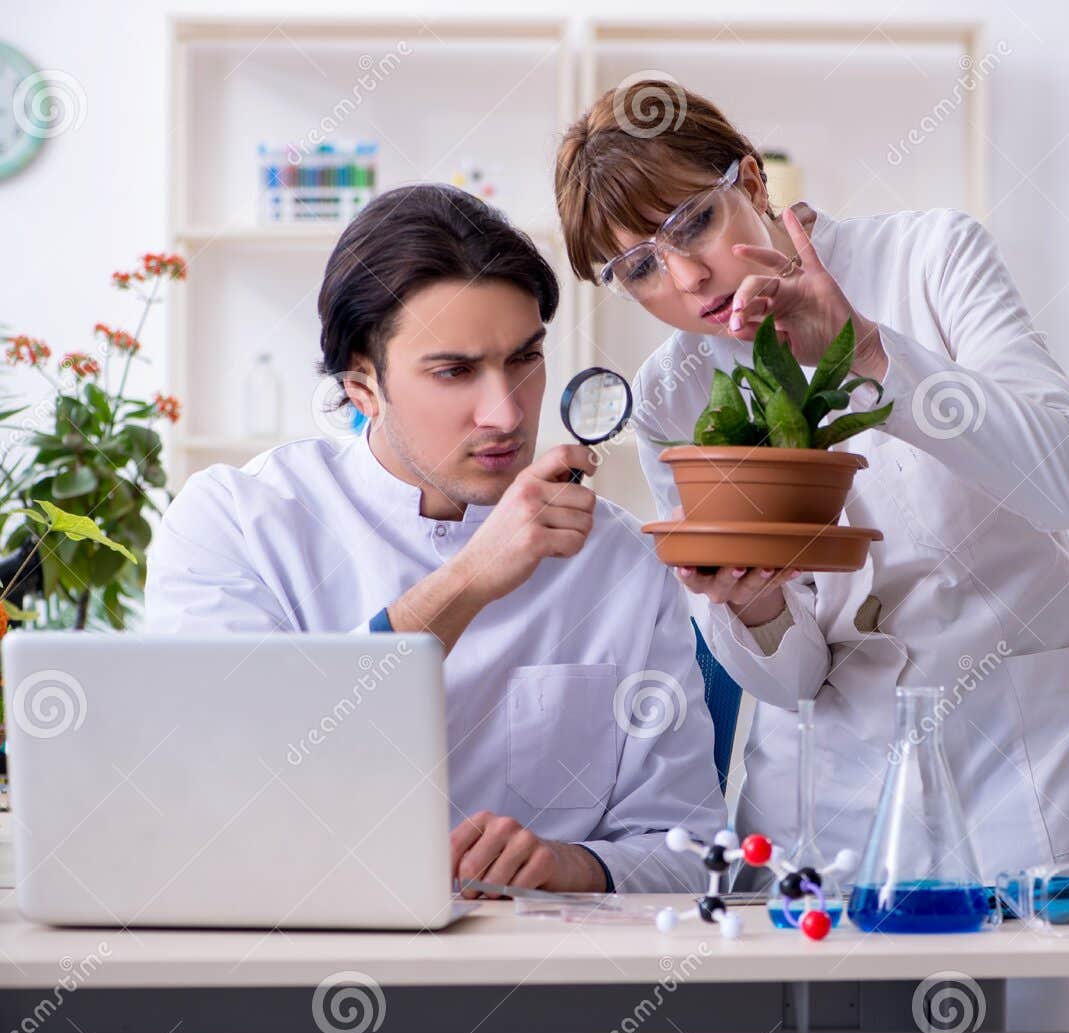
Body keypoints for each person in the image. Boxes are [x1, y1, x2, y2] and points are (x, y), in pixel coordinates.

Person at [554, 83, 1069, 1033]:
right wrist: (755, 606)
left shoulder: (929, 255)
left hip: (1022, 764)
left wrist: (862, 350)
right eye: (637, 266)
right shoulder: (672, 397)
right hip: (828, 796)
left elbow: (1067, 478)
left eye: (696, 222)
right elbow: (787, 676)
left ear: (752, 180)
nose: (685, 277)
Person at [144, 184, 725, 896]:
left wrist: (572, 865)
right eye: (454, 371)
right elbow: (227, 789)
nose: (505, 412)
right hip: (287, 955)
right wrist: (468, 580)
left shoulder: (621, 560)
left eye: (524, 359)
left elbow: (693, 847)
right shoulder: (234, 524)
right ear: (363, 388)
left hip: (533, 974)